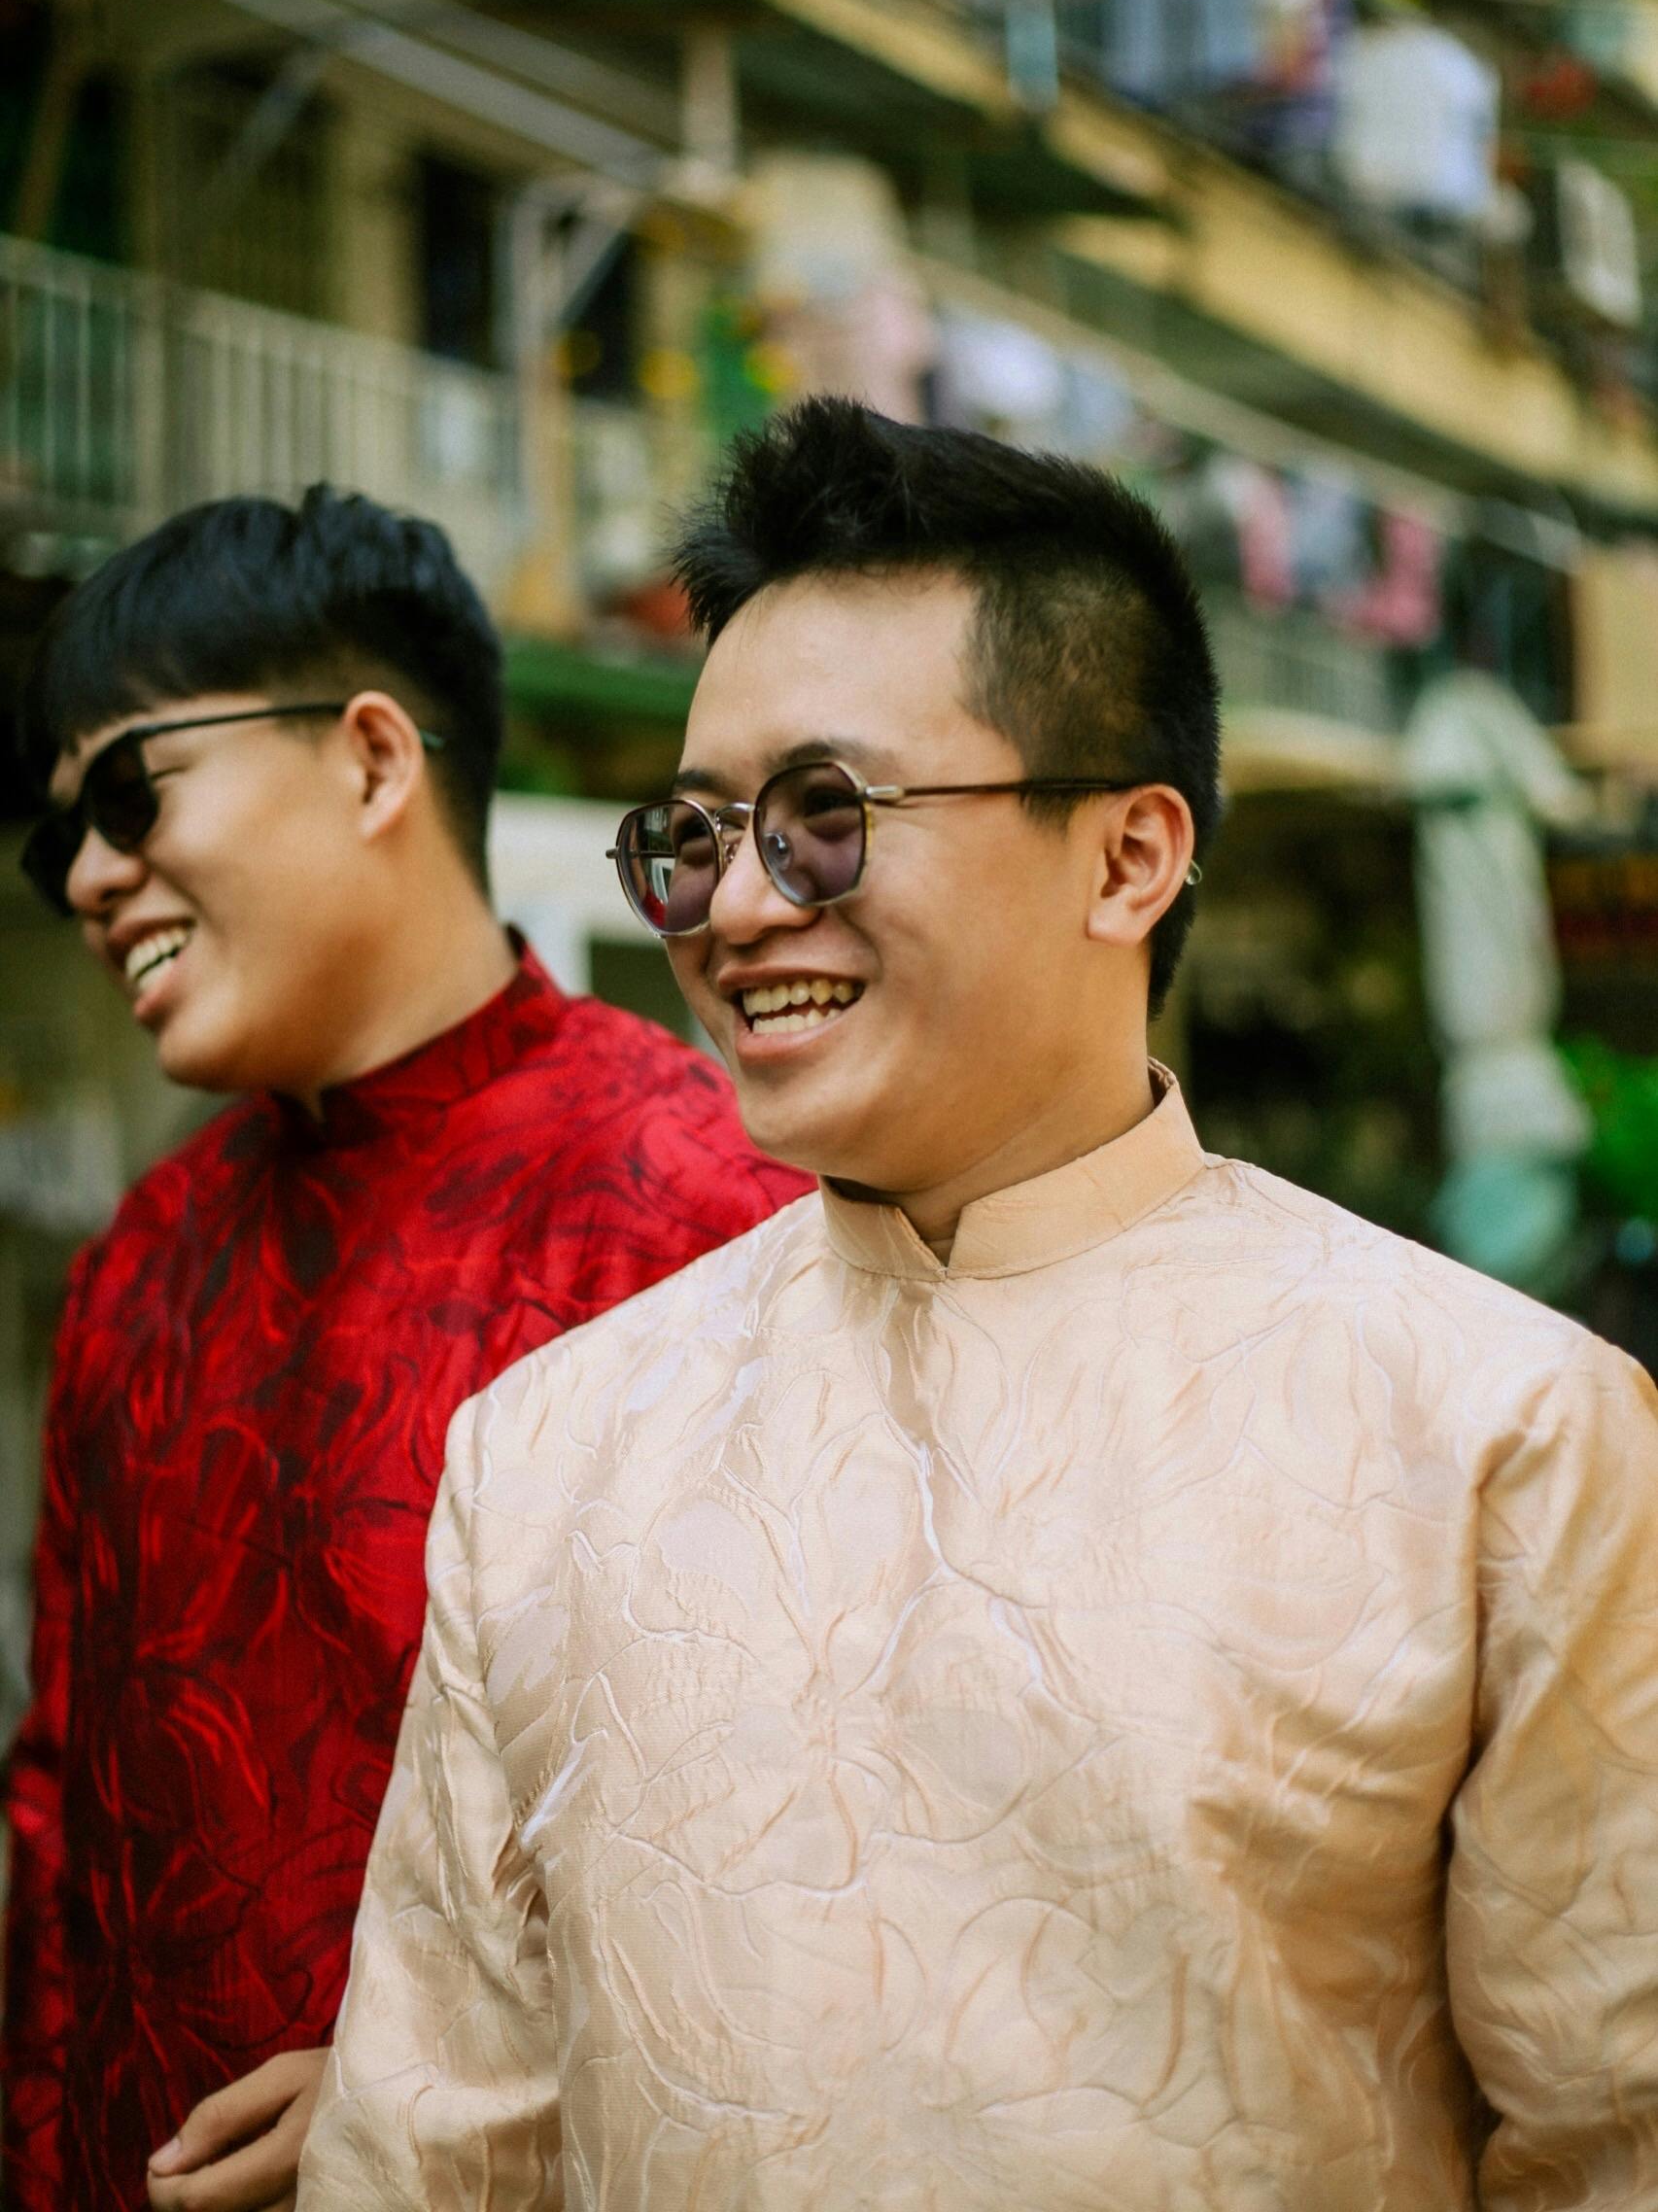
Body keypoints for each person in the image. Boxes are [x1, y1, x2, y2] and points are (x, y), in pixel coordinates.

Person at [301, 402, 1658, 2208]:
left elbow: (1610, 2139)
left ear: (1127, 857)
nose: (733, 909)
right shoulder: (549, 1453)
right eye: (694, 834)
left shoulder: (1492, 1431)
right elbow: (432, 2146)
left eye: (825, 817)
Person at [0, 485, 809, 2212]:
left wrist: (464, 2088)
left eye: (133, 793)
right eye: (55, 833)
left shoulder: (704, 1205)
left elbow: (814, 1836)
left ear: (374, 760)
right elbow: (58, 1825)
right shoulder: (140, 1260)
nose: (85, 874)